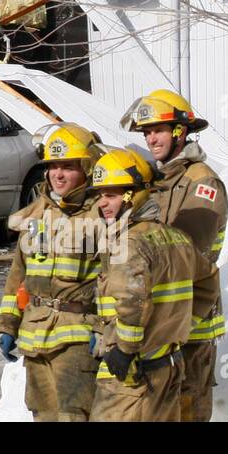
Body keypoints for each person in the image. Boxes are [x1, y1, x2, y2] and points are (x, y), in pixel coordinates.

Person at [119, 89, 228, 422]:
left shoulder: (202, 184)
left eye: (159, 130)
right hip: (158, 324)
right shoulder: (158, 182)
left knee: (186, 408)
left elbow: (185, 253)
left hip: (190, 327)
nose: (151, 138)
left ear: (180, 131)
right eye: (147, 131)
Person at [88, 147, 211, 422]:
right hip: (169, 365)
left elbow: (133, 301)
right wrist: (181, 325)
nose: (102, 203)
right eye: (99, 195)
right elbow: (208, 280)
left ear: (135, 194)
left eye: (111, 195)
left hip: (132, 374)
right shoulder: (175, 237)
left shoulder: (128, 243)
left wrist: (123, 350)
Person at [0, 123, 105, 421]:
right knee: (43, 415)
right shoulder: (36, 215)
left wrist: (103, 328)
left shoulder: (103, 216)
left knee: (74, 416)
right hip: (35, 336)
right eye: (53, 166)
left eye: (67, 166)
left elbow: (117, 282)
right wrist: (7, 325)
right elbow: (18, 277)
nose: (58, 174)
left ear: (88, 167)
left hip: (77, 340)